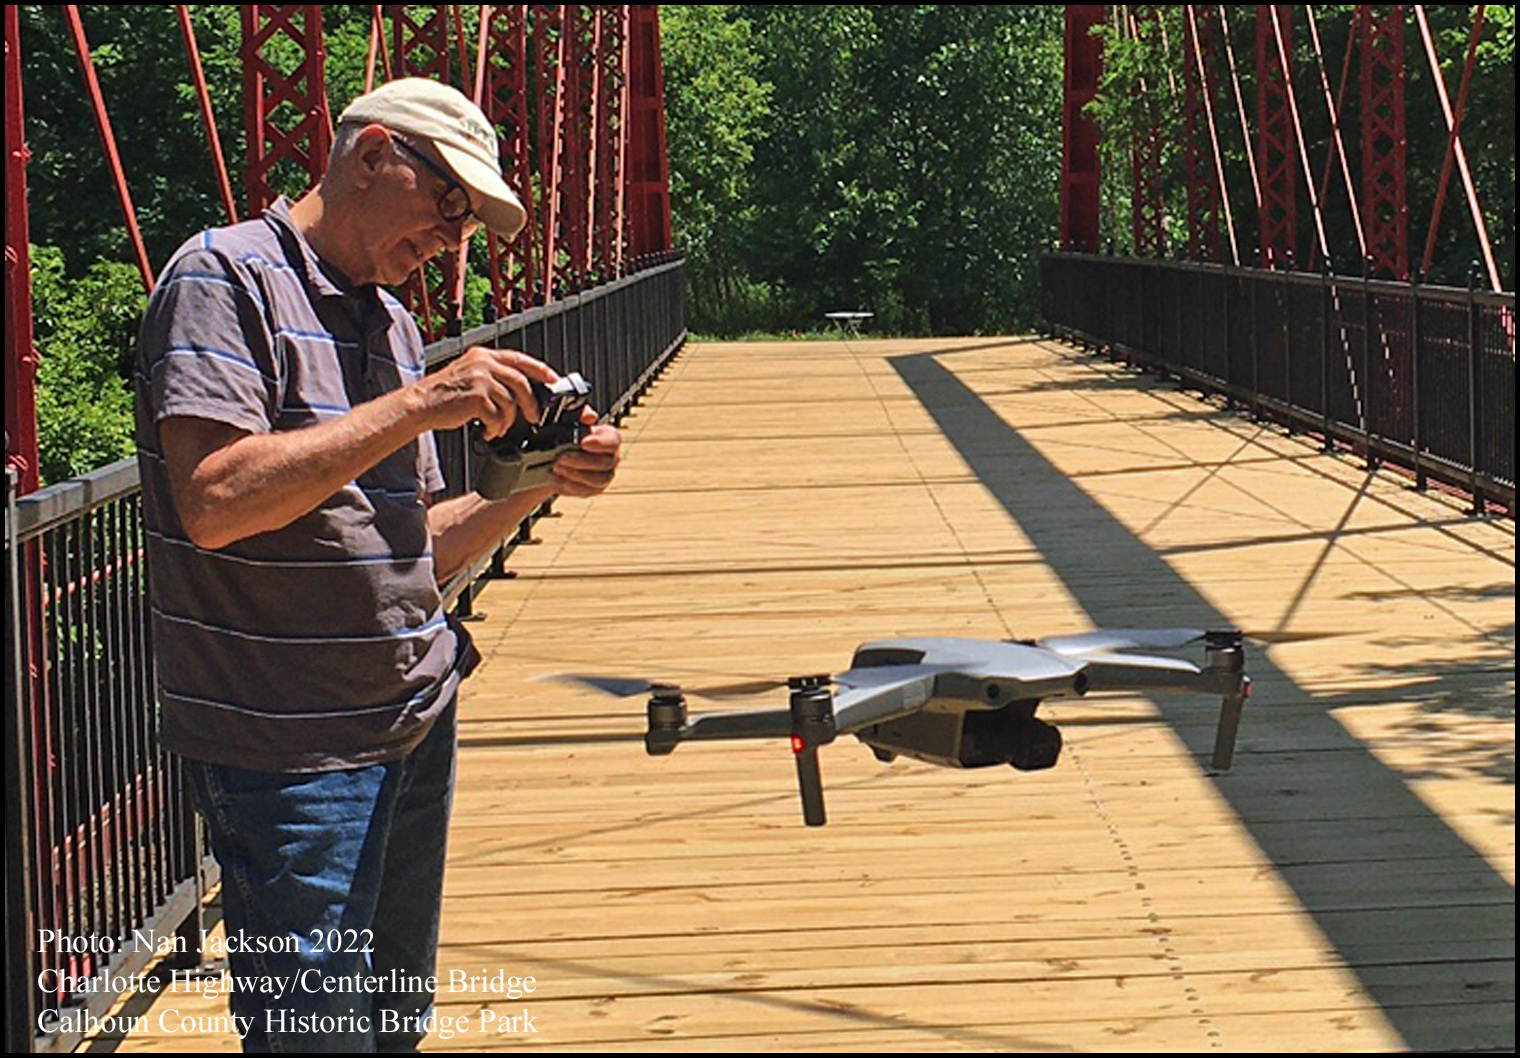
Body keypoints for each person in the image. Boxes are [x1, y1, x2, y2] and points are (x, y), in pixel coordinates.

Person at [132, 77, 620, 1051]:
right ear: (371, 155)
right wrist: (417, 405)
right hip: (291, 753)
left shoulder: (386, 321)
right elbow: (215, 502)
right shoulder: (222, 279)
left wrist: (540, 482)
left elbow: (409, 549)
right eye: (449, 204)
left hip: (410, 721)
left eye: (469, 223)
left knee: (390, 1027)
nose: (453, 239)